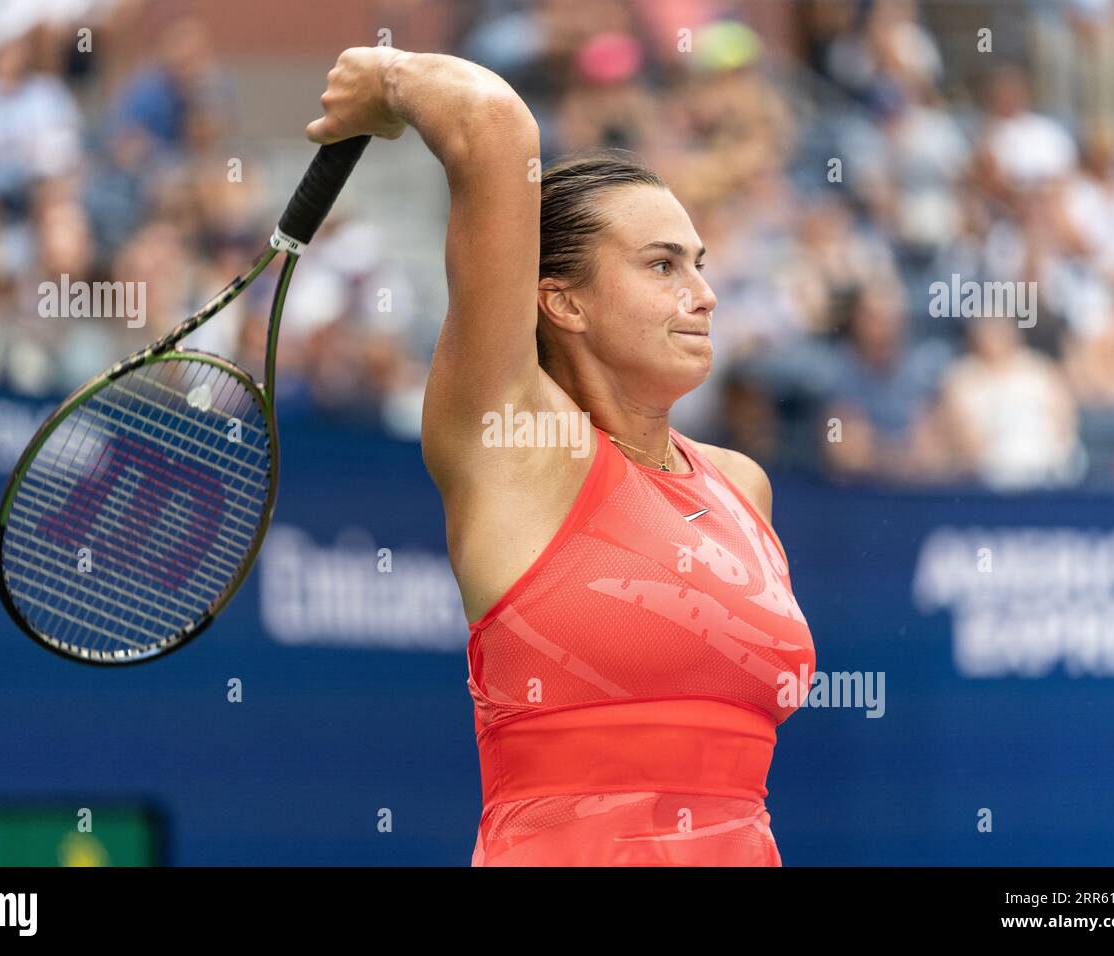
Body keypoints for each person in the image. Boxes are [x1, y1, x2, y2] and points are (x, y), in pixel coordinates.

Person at [307, 47, 816, 866]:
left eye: (699, 264)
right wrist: (384, 78)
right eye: (661, 265)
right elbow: (493, 123)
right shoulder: (515, 444)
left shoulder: (741, 486)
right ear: (563, 300)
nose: (704, 293)